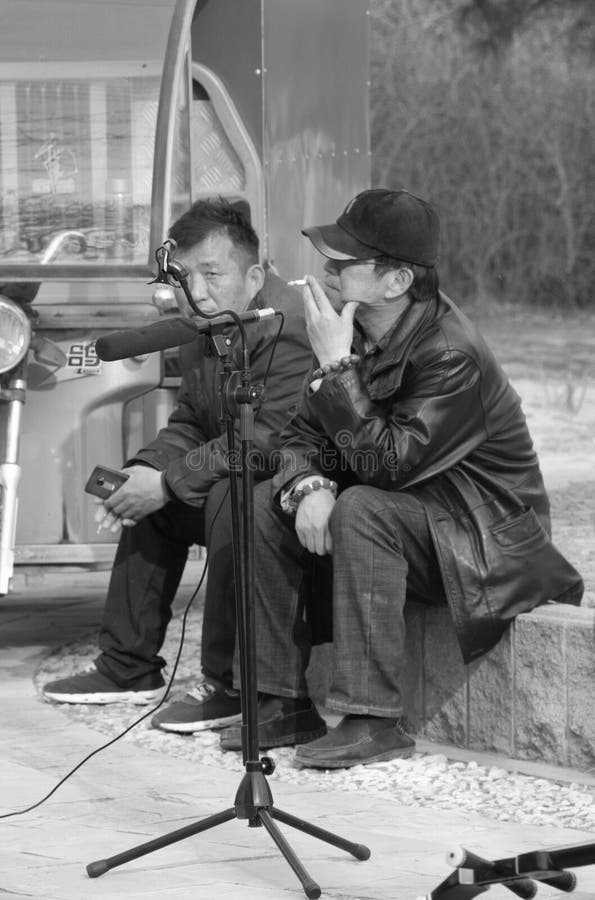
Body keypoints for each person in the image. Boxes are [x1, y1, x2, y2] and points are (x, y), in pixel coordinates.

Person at [217, 188, 584, 768]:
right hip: (416, 521)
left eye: (344, 263)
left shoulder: (447, 352)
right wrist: (308, 486)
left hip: (483, 540)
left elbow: (389, 466)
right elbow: (295, 441)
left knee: (361, 506)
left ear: (397, 282)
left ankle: (373, 718)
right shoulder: (356, 332)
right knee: (269, 502)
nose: (327, 270)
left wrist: (337, 369)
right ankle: (281, 699)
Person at [42, 198, 313, 735]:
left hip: (290, 498)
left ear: (254, 275)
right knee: (148, 498)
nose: (200, 291)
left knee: (224, 495)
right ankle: (127, 666)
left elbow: (262, 439)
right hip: (232, 480)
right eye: (188, 276)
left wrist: (168, 482)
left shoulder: (291, 333)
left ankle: (227, 683)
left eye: (214, 274)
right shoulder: (207, 328)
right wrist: (146, 473)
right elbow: (192, 419)